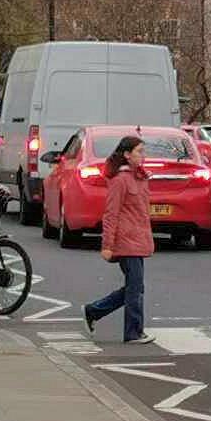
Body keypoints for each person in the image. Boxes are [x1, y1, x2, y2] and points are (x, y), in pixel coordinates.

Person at [83, 136, 155, 345]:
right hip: (126, 241)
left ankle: (93, 311)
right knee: (135, 288)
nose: (143, 155)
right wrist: (107, 245)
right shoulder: (120, 180)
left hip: (138, 239)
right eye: (139, 151)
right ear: (126, 154)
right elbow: (110, 214)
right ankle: (133, 332)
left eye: (143, 151)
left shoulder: (138, 177)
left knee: (135, 287)